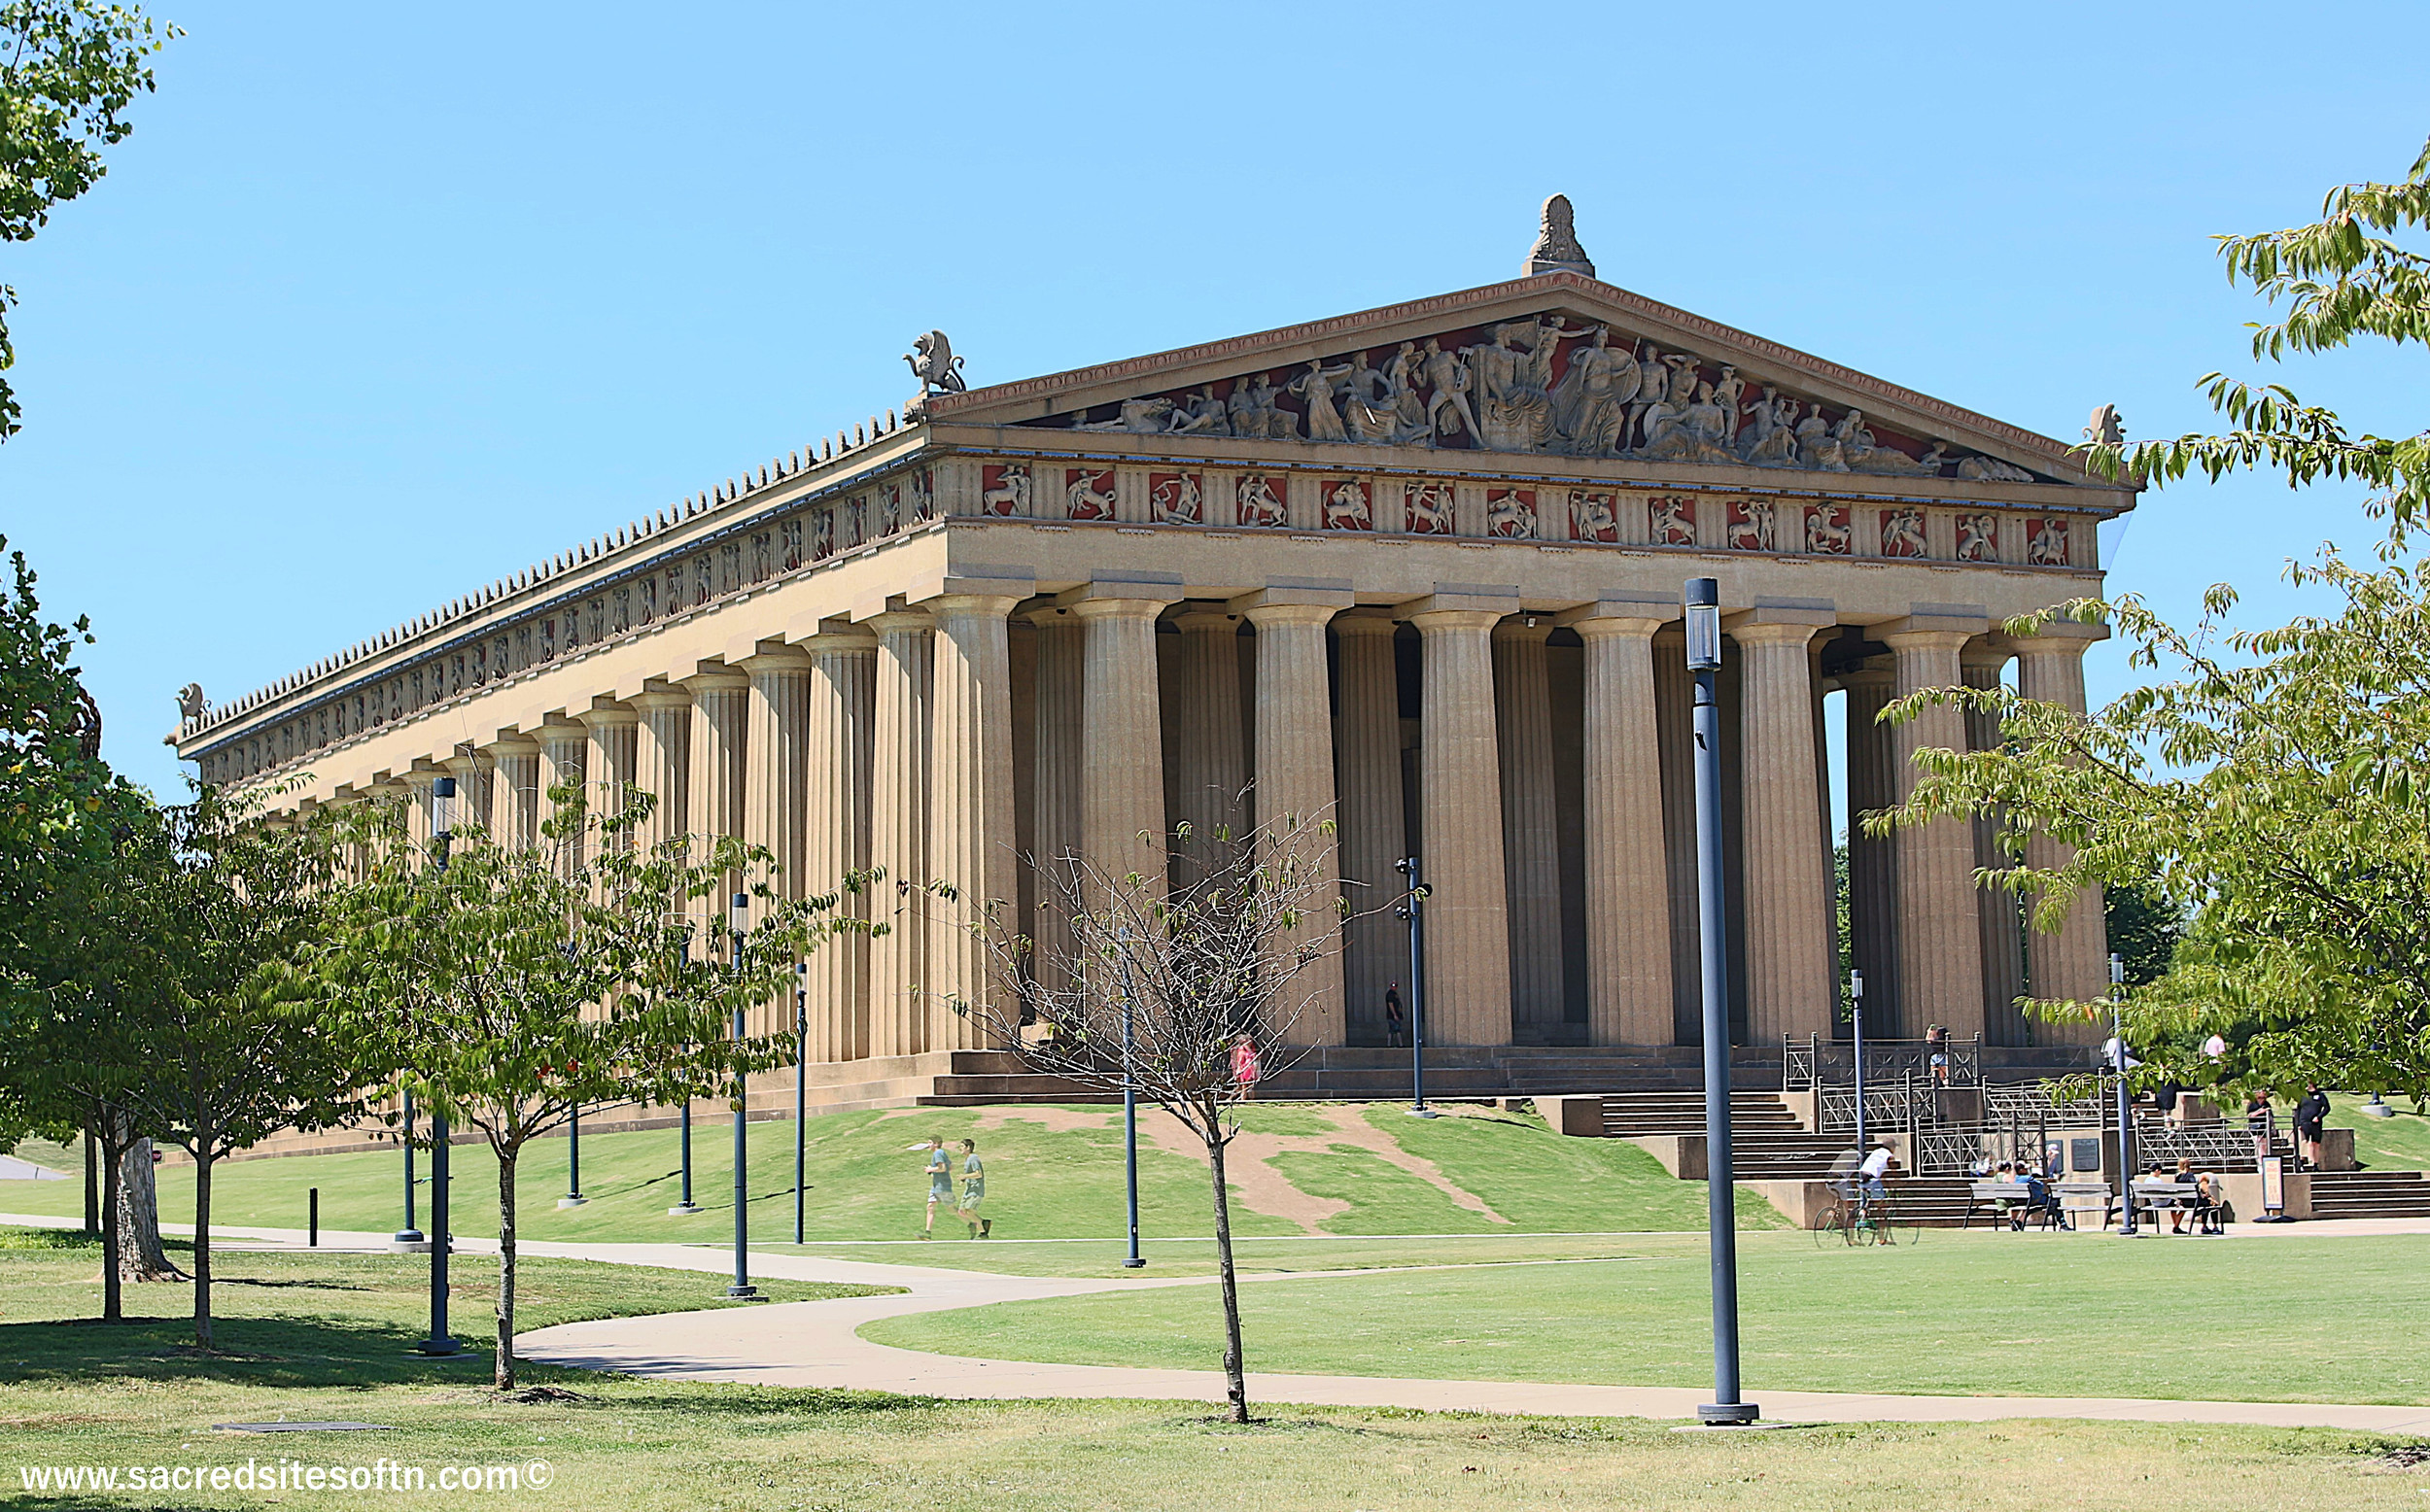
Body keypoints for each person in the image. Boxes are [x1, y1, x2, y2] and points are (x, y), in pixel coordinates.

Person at [955, 1138, 989, 1239]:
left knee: (969, 1210)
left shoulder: (973, 1158)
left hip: (976, 1189)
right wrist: (963, 1179)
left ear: (968, 1148)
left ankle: (983, 1231)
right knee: (962, 1211)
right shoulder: (968, 1159)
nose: (960, 1148)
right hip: (969, 1190)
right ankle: (983, 1224)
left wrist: (965, 1176)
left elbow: (978, 1174)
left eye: (962, 1146)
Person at [920, 1136, 952, 1238]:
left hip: (942, 1186)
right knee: (930, 1206)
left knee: (952, 1209)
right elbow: (950, 1167)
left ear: (936, 1144)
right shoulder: (941, 1153)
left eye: (930, 1142)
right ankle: (927, 1233)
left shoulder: (938, 1153)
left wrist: (931, 1170)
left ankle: (975, 1223)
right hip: (937, 1186)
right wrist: (933, 1173)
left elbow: (942, 1168)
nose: (928, 1145)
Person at [2293, 1084, 2330, 1170]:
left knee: (2315, 1142)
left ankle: (2315, 1164)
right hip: (2304, 1121)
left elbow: (2327, 1108)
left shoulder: (2320, 1095)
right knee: (2304, 1141)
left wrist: (2319, 1117)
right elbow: (2298, 1109)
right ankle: (2301, 1161)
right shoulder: (2302, 1095)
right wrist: (2298, 1123)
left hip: (2316, 1122)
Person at [2169, 1157, 2200, 1233]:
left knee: (2174, 1209)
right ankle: (2176, 1226)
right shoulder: (2190, 1175)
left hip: (2181, 1199)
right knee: (2183, 1208)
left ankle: (2176, 1226)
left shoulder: (2177, 1175)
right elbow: (2194, 1186)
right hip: (2190, 1200)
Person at [2244, 1090, 2274, 1166]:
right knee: (2259, 1145)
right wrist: (2259, 1112)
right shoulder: (2252, 1104)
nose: (2262, 1099)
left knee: (2264, 1146)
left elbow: (2271, 1117)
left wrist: (2273, 1127)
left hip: (2264, 1127)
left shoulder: (2266, 1104)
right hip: (2255, 1128)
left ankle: (2264, 1162)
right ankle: (2260, 1163)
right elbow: (2250, 1115)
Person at [1383, 982, 1406, 1048]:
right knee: (1396, 1030)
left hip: (1396, 1015)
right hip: (1392, 1016)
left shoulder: (1395, 994)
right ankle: (1399, 1044)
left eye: (1395, 986)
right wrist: (1395, 1015)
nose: (1394, 987)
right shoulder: (1390, 994)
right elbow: (1391, 1004)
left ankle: (1391, 1044)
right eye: (1393, 986)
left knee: (1393, 1030)